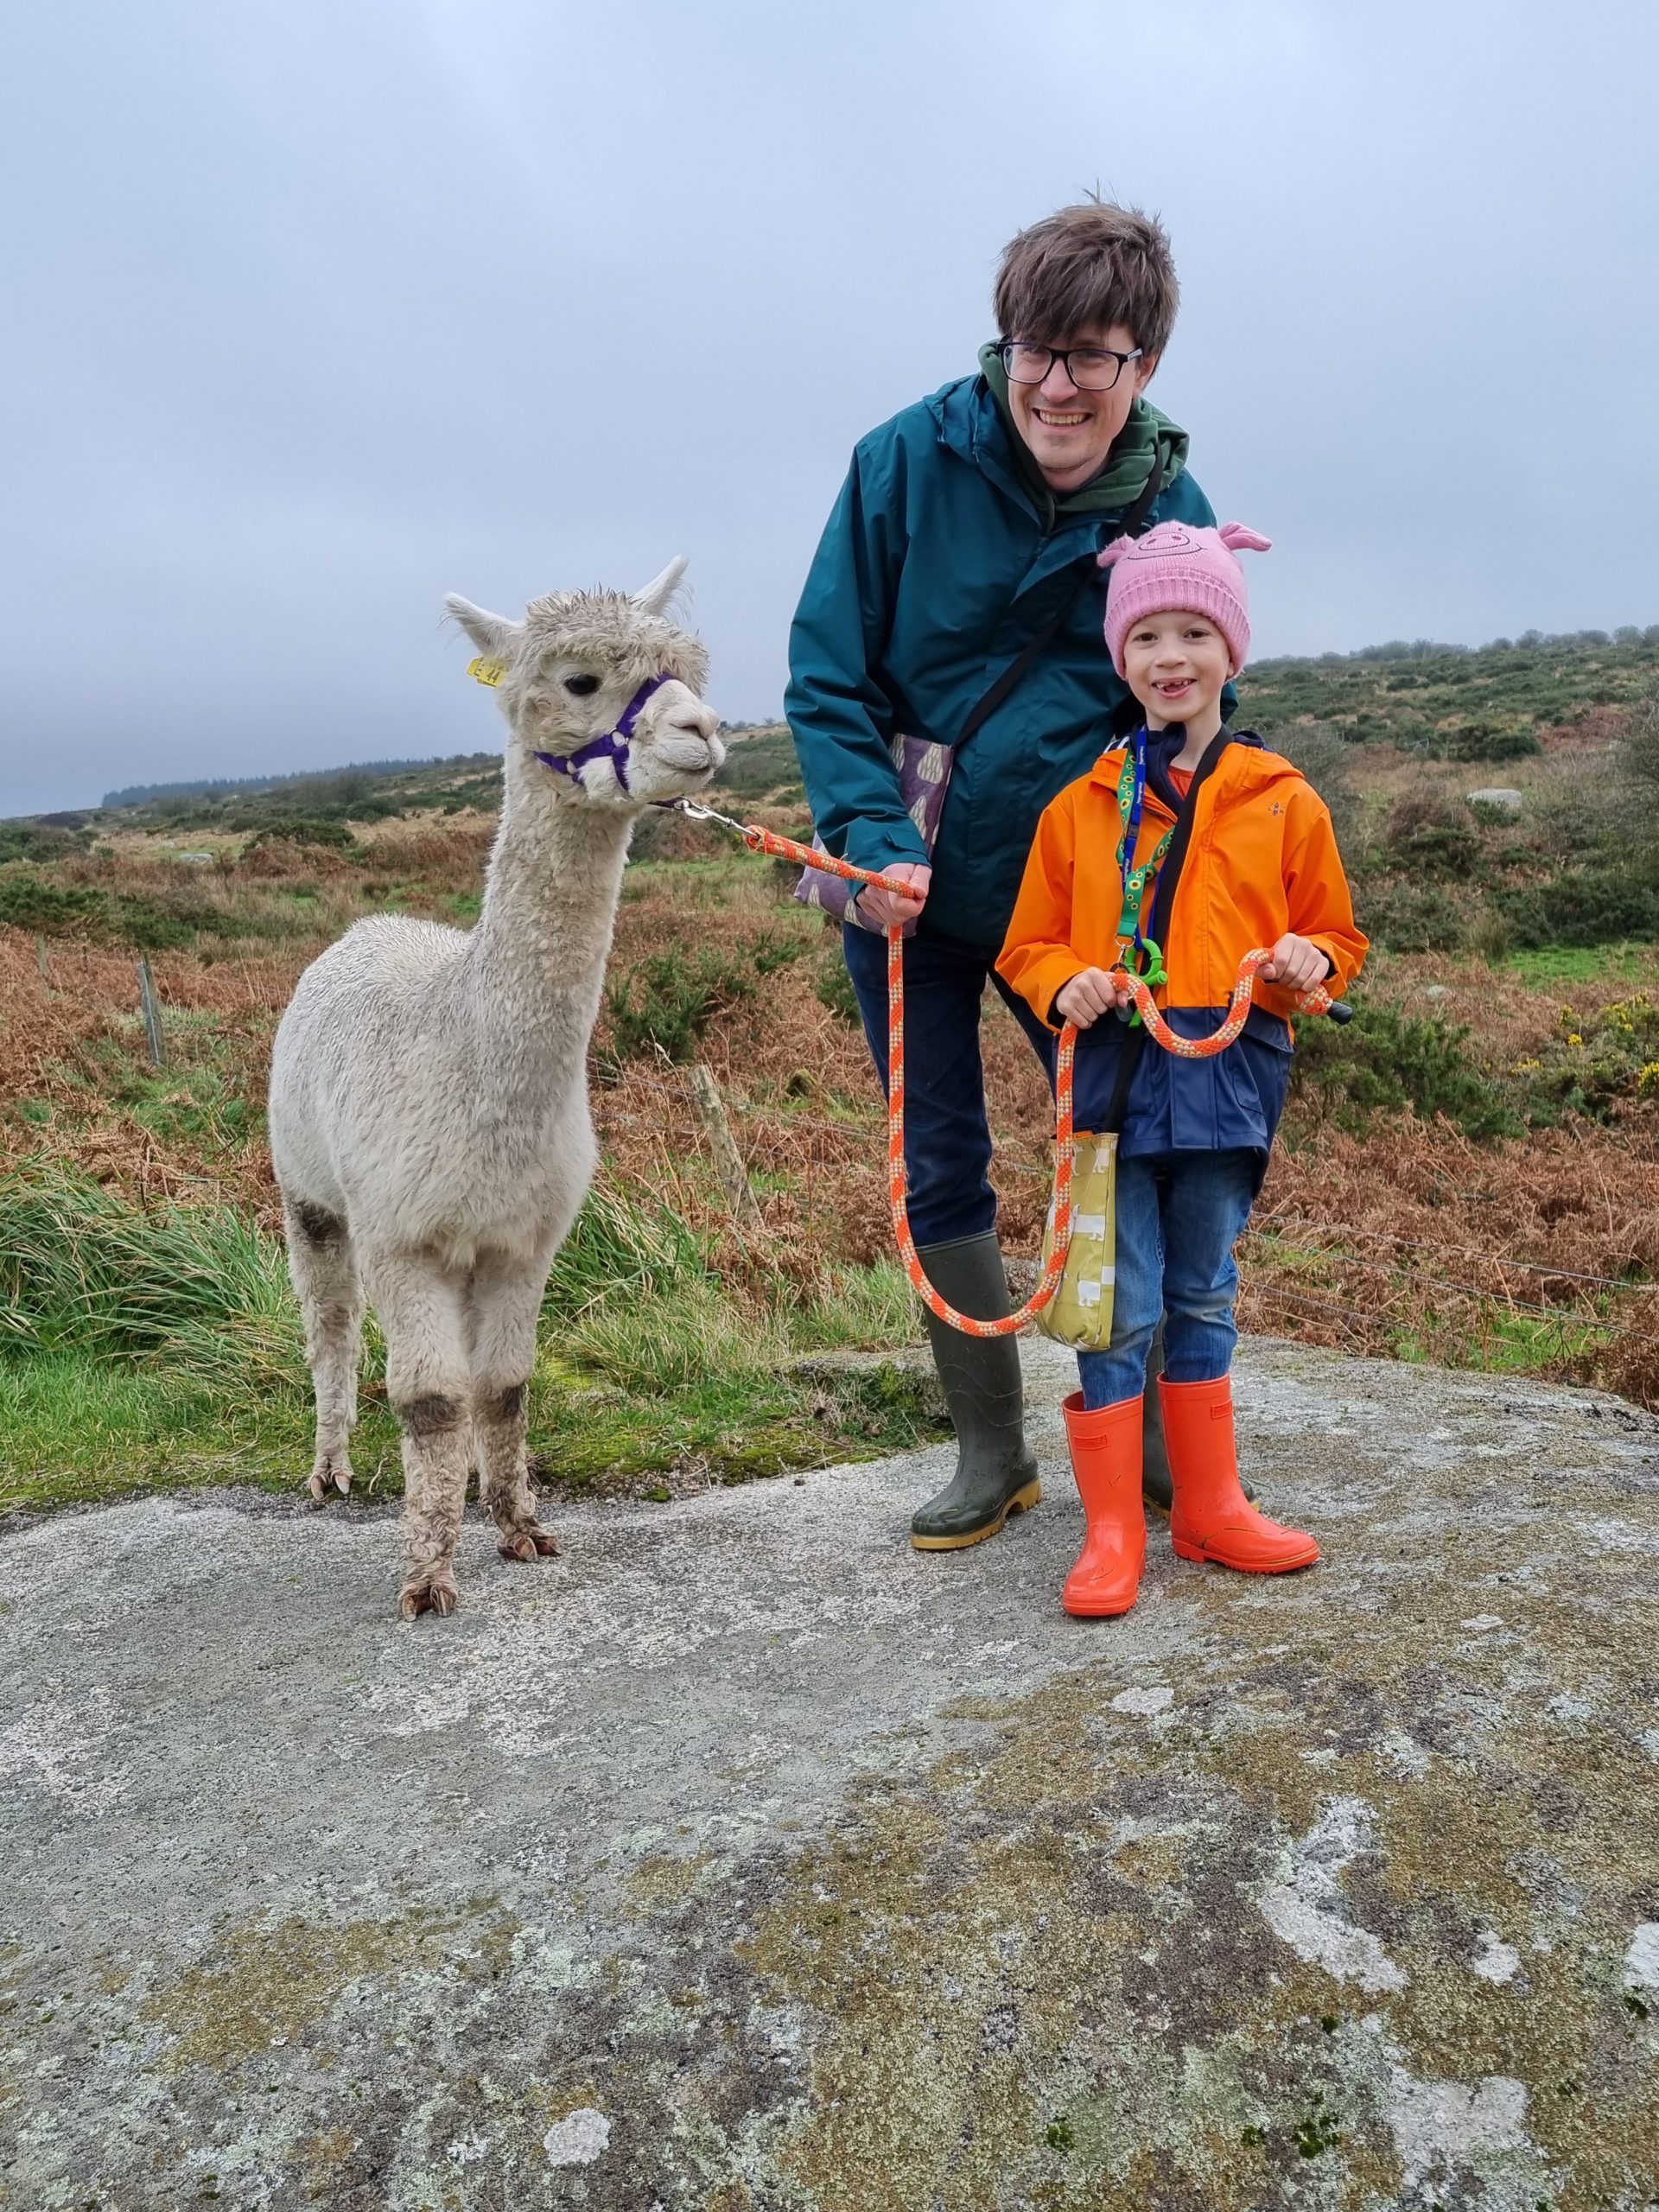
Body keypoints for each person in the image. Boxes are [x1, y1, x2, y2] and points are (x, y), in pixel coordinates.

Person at [787, 200, 1224, 1552]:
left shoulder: (1173, 506)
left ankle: (1148, 1422)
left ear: (1141, 366)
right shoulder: (901, 462)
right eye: (1035, 347)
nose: (1055, 383)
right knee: (939, 1161)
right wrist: (870, 837)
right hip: (904, 892)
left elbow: (1188, 701)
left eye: (1092, 355)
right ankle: (991, 1450)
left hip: (1080, 909)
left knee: (1129, 1145)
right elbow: (827, 677)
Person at [996, 520, 1369, 1617]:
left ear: (1230, 651)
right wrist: (1064, 977)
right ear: (1122, 658)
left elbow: (1334, 942)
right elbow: (1027, 946)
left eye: (1195, 630)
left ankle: (1208, 1513)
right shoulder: (1080, 808)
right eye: (1149, 632)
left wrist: (1307, 961)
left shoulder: (1283, 798)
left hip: (1228, 1078)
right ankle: (1113, 1532)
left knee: (1205, 1292)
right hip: (1114, 1083)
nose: (1172, 654)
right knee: (1117, 1302)